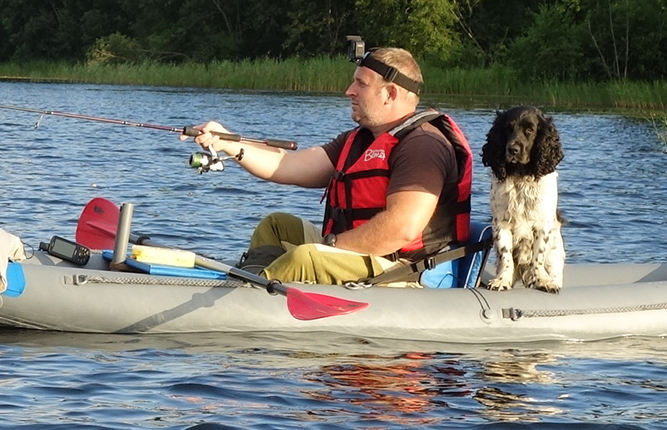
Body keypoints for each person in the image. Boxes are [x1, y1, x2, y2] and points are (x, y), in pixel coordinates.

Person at [185, 45, 473, 285]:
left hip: (406, 270)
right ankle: (242, 286)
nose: (349, 91)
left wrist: (330, 247)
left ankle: (247, 300)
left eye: (361, 84)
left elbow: (402, 229)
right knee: (276, 226)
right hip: (354, 251)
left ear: (390, 94)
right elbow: (289, 165)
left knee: (306, 257)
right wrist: (227, 143)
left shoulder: (423, 145)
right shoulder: (360, 141)